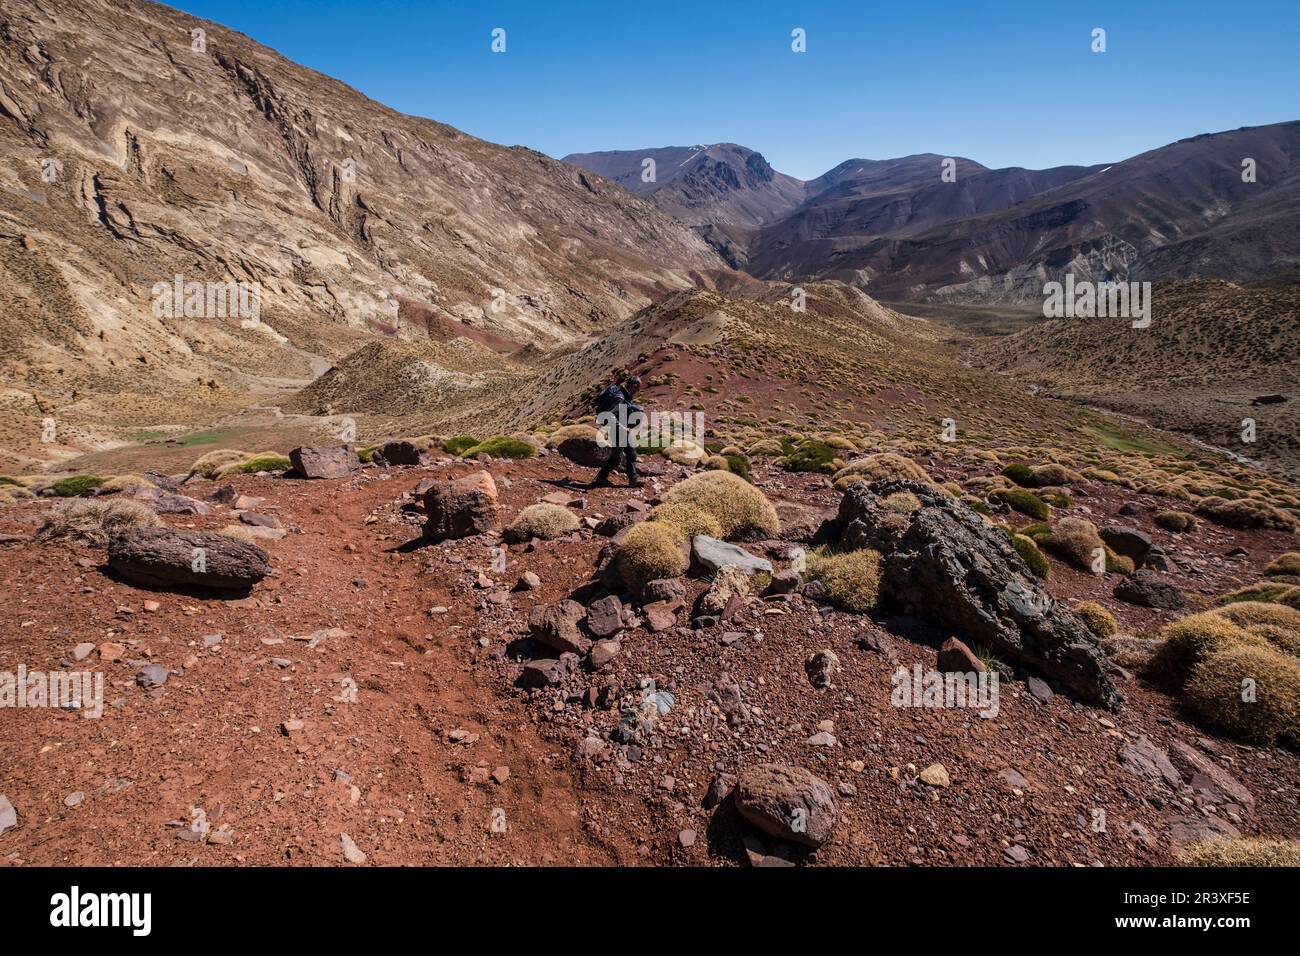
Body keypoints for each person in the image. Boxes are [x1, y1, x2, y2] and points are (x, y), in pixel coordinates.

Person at [590, 375, 643, 487]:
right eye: (638, 388)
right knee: (617, 457)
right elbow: (610, 415)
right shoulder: (620, 397)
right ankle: (601, 477)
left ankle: (633, 478)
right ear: (633, 386)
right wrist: (622, 428)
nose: (638, 391)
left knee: (631, 453)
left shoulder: (625, 395)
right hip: (617, 429)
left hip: (620, 428)